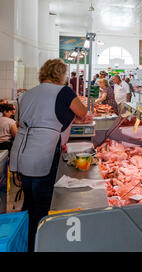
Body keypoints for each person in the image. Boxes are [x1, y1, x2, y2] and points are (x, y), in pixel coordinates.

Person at [10, 59, 87, 251]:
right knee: (43, 204)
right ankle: (40, 244)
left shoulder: (27, 94)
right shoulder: (64, 92)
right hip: (44, 152)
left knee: (29, 202)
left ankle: (25, 242)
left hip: (21, 153)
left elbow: (20, 123)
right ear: (61, 74)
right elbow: (82, 113)